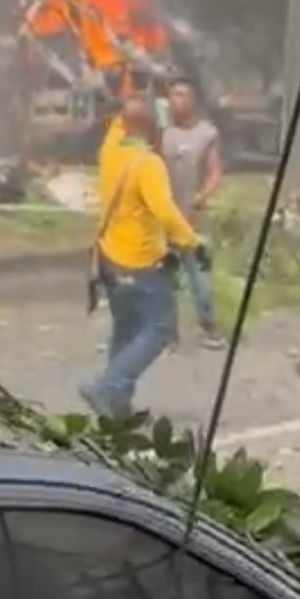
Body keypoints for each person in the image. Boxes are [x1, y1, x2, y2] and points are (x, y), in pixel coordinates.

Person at [81, 96, 206, 420]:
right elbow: (165, 211)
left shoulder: (110, 149)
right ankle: (108, 388)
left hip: (108, 258)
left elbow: (120, 121)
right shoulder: (148, 164)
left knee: (125, 328)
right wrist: (192, 243)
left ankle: (117, 407)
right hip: (139, 262)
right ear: (154, 130)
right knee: (159, 327)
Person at [162, 77, 224, 347]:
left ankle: (210, 329)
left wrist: (202, 197)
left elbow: (214, 173)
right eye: (172, 95)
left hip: (194, 220)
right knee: (165, 279)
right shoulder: (163, 135)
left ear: (192, 100)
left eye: (181, 95)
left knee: (199, 277)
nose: (175, 100)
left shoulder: (206, 134)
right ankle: (168, 334)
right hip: (164, 219)